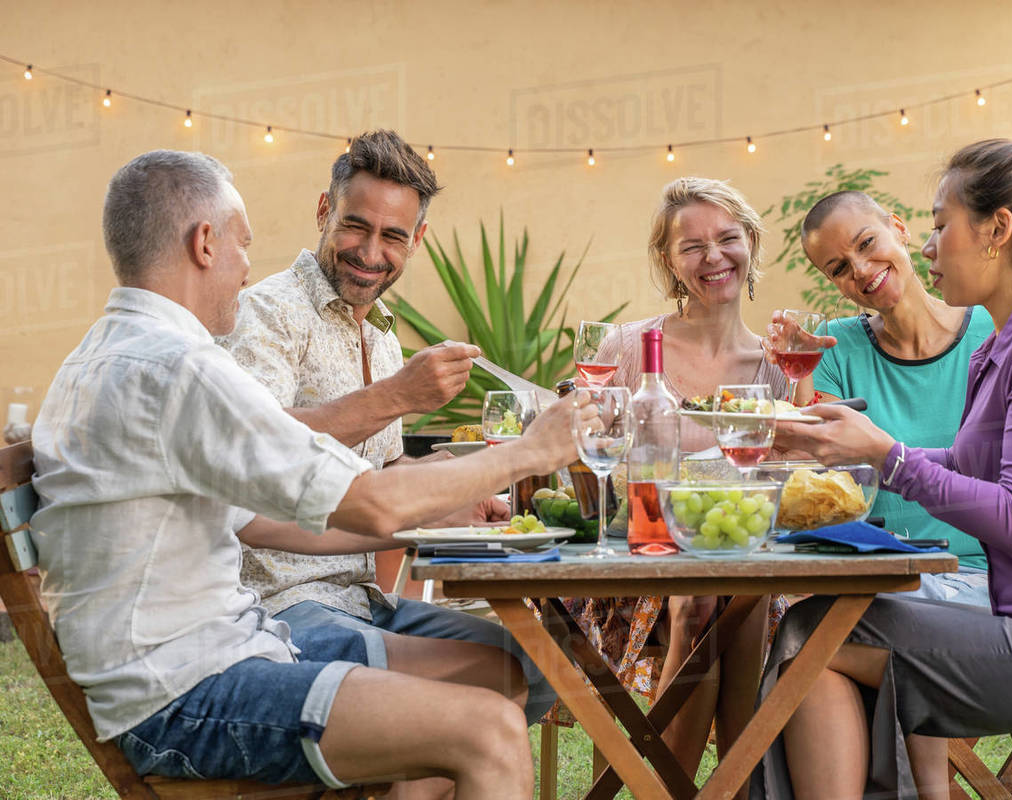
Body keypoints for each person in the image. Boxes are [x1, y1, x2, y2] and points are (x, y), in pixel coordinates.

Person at [31, 149, 595, 798]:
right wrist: (528, 452)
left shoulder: (111, 353)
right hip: (184, 697)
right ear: (205, 243)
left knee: (498, 690)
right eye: (243, 244)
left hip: (212, 662)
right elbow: (371, 502)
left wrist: (438, 500)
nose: (248, 266)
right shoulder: (177, 369)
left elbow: (268, 515)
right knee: (488, 728)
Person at [753, 118, 1012, 800]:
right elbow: (965, 463)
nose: (929, 246)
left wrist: (886, 456)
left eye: (941, 226)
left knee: (815, 636)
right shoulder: (1004, 343)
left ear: (997, 229)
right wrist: (846, 444)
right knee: (815, 625)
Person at [218, 130, 552, 725]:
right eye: (356, 226)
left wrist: (446, 491)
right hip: (280, 610)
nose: (371, 252)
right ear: (324, 210)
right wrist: (398, 395)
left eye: (393, 235)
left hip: (362, 600)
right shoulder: (267, 314)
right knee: (493, 677)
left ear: (416, 240)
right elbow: (257, 452)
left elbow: (383, 469)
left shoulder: (381, 333)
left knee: (538, 667)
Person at [568, 177, 787, 793]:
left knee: (735, 595)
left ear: (751, 242)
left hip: (737, 564)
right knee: (707, 601)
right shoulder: (630, 347)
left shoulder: (774, 366)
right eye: (692, 246)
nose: (713, 256)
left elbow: (782, 480)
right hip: (638, 561)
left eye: (727, 238)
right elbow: (584, 459)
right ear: (668, 261)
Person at [768, 190, 994, 606]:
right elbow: (819, 482)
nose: (860, 269)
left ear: (899, 228)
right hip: (879, 572)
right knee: (800, 619)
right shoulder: (832, 347)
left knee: (809, 624)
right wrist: (799, 373)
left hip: (984, 577)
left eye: (866, 243)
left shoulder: (993, 326)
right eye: (839, 268)